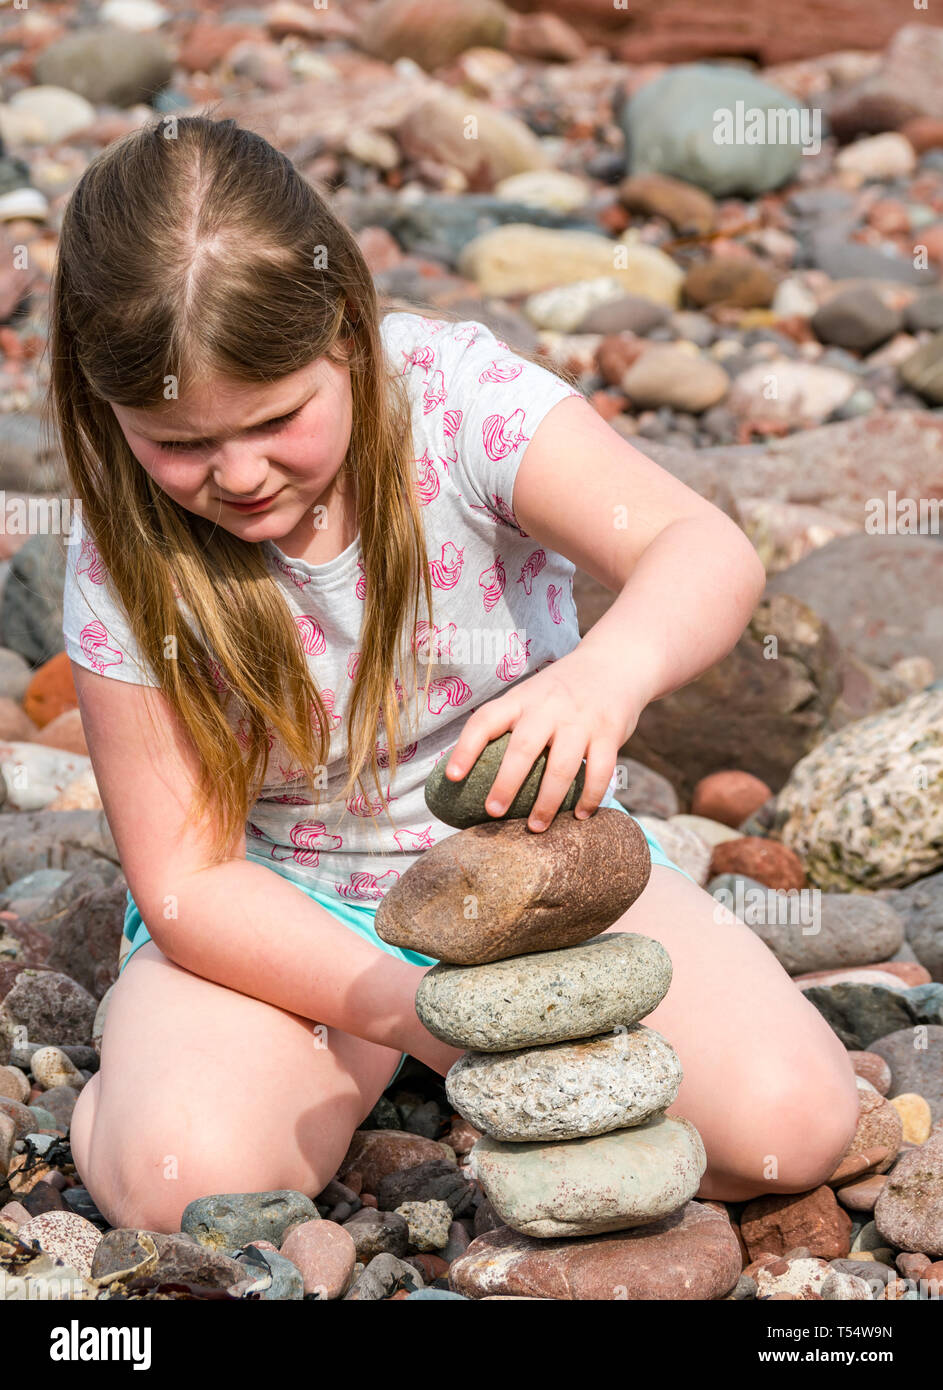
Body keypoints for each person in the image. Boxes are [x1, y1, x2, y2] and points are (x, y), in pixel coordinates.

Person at [56, 115, 858, 1236]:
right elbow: (189, 882)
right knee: (191, 1187)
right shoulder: (124, 544)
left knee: (795, 1127)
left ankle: (371, 1069)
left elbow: (702, 549)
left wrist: (603, 676)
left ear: (347, 330)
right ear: (109, 408)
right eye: (177, 441)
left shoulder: (452, 400)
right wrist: (417, 1010)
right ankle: (159, 1081)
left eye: (278, 418)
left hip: (527, 873)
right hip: (280, 907)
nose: (236, 475)